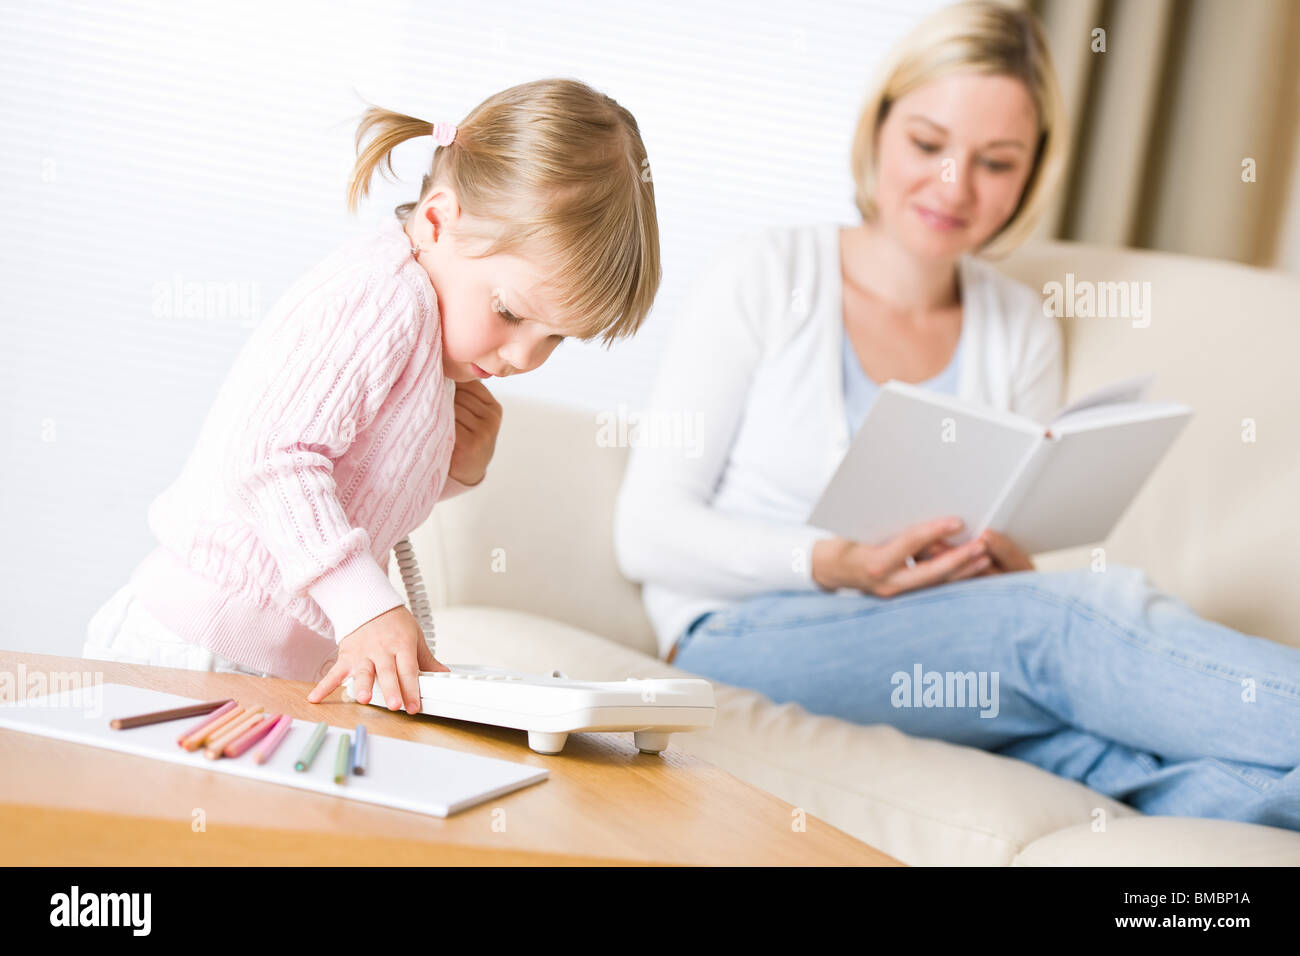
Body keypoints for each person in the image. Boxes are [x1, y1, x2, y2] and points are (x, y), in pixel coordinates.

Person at [613, 0, 1300, 831]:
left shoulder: (1018, 326)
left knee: (1170, 769)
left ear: (1033, 173)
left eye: (996, 162)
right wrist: (836, 561)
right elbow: (646, 530)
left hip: (940, 643)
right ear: (877, 131)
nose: (954, 187)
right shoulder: (763, 273)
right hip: (746, 634)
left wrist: (998, 571)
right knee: (1072, 616)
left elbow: (1000, 542)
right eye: (928, 145)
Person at [84, 78, 662, 719]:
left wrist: (453, 467)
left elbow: (356, 479)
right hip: (196, 646)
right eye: (509, 312)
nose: (525, 357)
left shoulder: (431, 330)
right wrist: (369, 605)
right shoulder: (386, 296)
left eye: (556, 338)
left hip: (256, 658)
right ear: (439, 220)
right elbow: (272, 461)